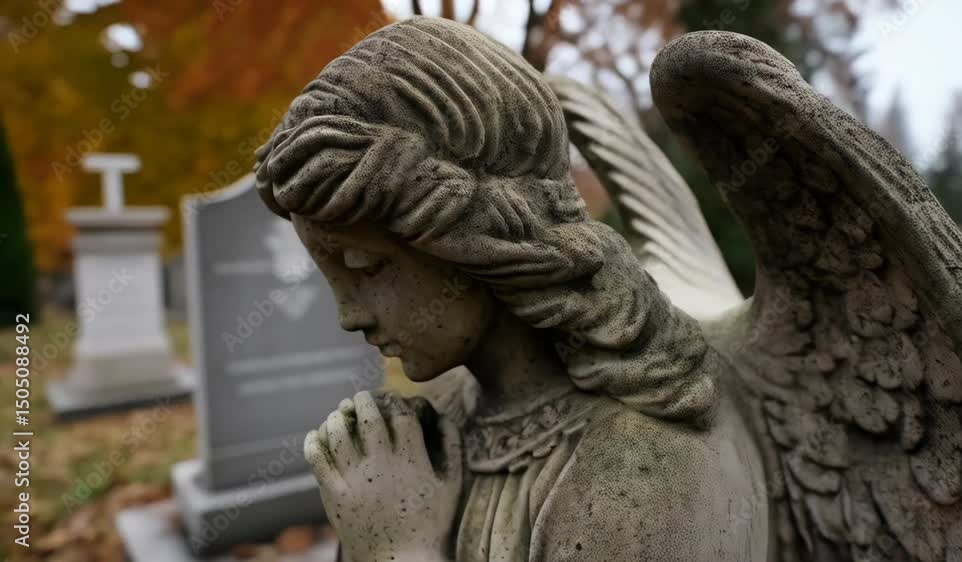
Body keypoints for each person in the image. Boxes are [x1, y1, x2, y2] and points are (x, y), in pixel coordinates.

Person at [254, 17, 767, 562]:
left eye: (368, 267)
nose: (348, 316)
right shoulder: (432, 425)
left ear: (472, 239)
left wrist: (398, 547)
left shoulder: (650, 471)